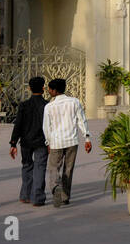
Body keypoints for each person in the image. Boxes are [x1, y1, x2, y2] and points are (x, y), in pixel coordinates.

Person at [42, 78, 91, 208]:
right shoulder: (75, 102)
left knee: (54, 168)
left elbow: (46, 127)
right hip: (72, 141)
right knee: (68, 169)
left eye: (49, 89)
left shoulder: (49, 107)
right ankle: (65, 197)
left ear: (54, 90)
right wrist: (87, 138)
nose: (48, 91)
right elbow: (82, 120)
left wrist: (48, 142)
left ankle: (55, 187)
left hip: (56, 142)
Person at [8, 77, 47, 206]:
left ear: (29, 88)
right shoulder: (46, 105)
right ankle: (37, 197)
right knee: (40, 168)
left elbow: (18, 124)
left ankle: (25, 195)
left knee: (27, 166)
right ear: (43, 88)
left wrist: (13, 143)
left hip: (26, 141)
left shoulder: (24, 105)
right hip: (41, 141)